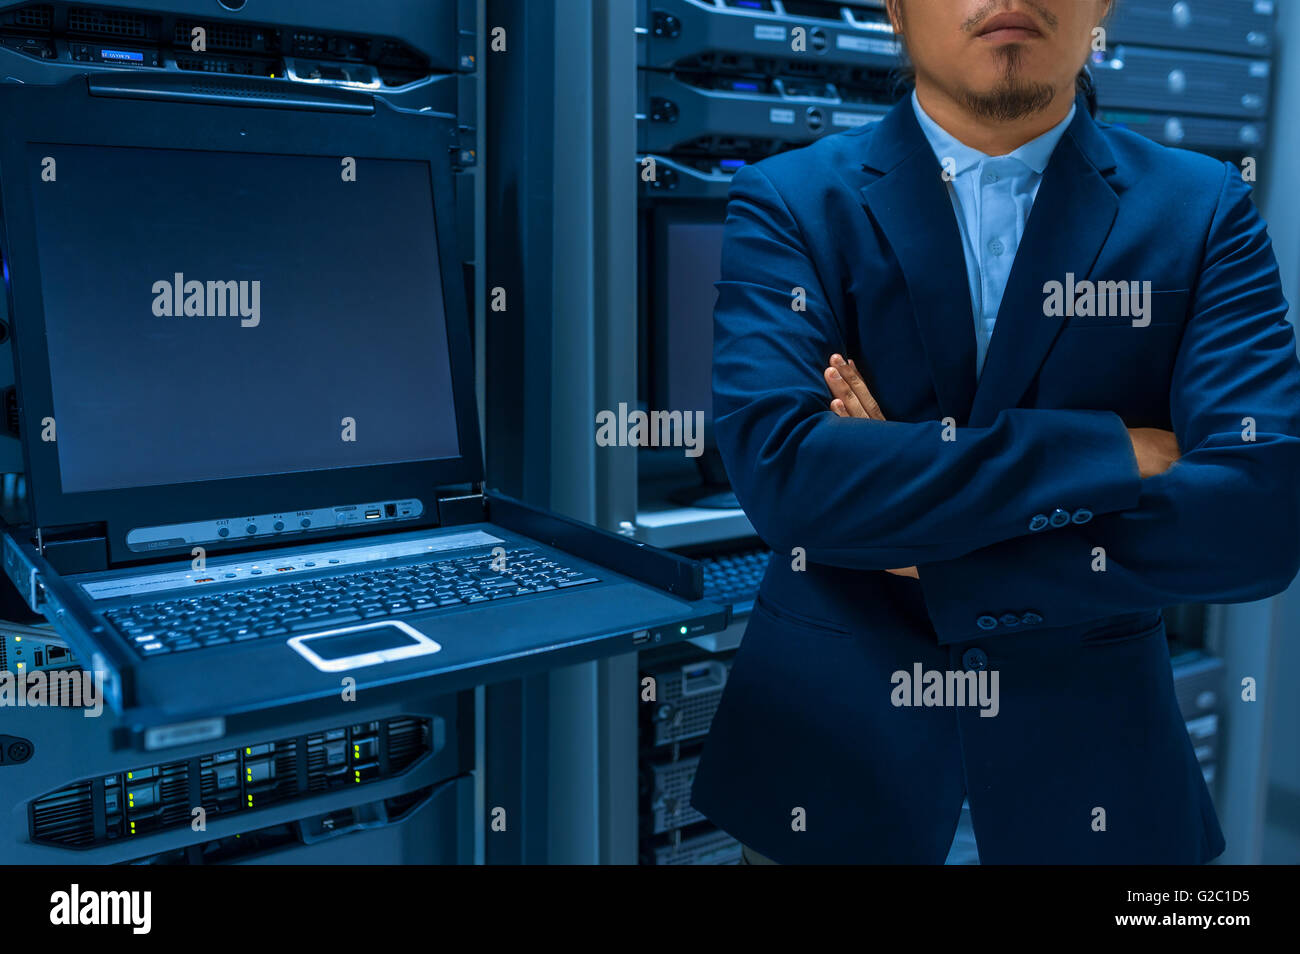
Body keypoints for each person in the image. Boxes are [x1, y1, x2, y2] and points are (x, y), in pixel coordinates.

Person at [690, 0, 1300, 864]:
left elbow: (1258, 522)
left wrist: (914, 530)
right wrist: (1118, 450)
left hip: (1098, 786)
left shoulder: (1204, 212)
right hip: (829, 772)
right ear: (895, 7)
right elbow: (790, 478)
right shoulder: (790, 199)